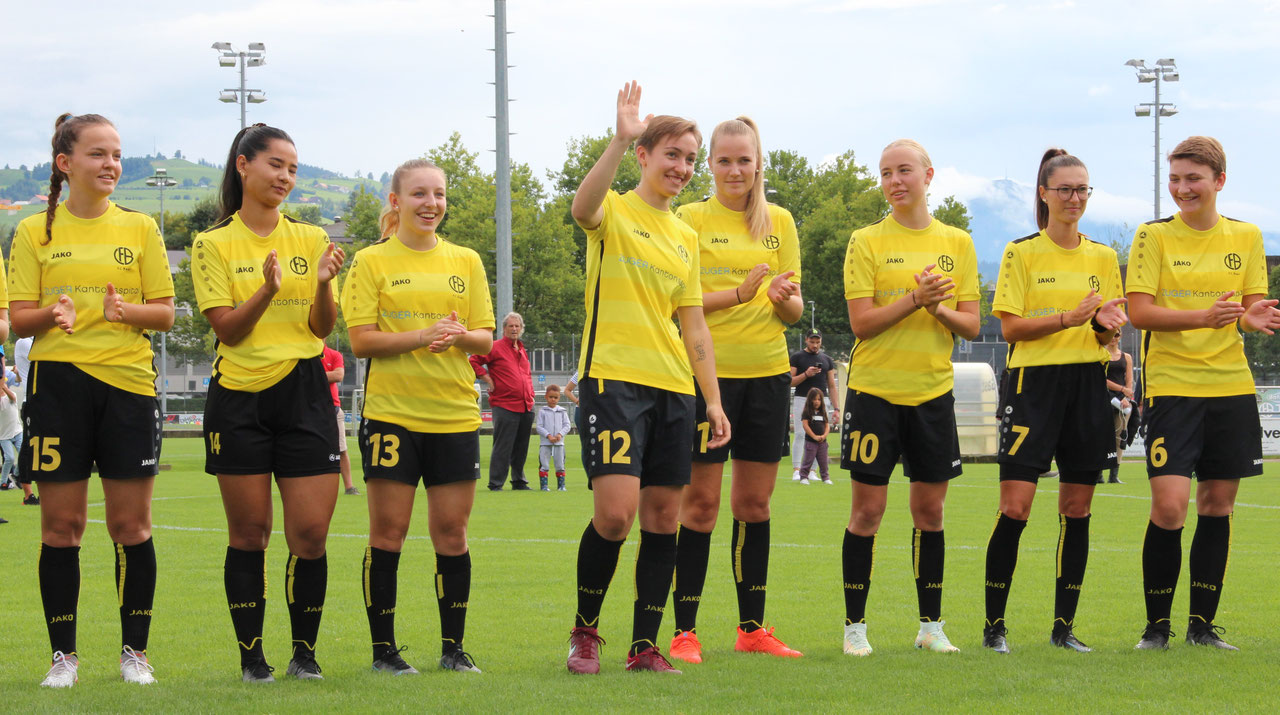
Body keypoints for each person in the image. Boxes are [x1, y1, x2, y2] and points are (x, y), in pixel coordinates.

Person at [565, 82, 729, 676]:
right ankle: (585, 632)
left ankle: (644, 645)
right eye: (672, 155)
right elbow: (582, 209)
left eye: (690, 159)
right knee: (615, 515)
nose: (682, 168)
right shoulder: (615, 209)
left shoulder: (686, 236)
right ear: (644, 156)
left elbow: (694, 327)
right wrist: (618, 137)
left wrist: (712, 401)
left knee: (664, 518)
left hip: (674, 391)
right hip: (612, 381)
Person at [10, 113, 174, 687]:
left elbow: (166, 311)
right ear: (65, 163)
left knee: (132, 525)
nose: (110, 164)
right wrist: (49, 316)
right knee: (61, 527)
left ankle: (135, 654)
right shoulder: (35, 232)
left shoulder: (140, 229)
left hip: (128, 386)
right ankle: (64, 657)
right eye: (97, 154)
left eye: (116, 154)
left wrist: (124, 312)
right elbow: (14, 323)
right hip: (57, 387)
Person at [192, 123, 345, 682]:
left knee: (310, 534)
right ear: (243, 165)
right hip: (237, 400)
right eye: (275, 164)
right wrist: (266, 289)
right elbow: (228, 332)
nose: (284, 176)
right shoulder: (213, 243)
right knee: (250, 534)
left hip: (304, 391)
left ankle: (305, 655)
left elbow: (321, 329)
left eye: (293, 168)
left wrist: (325, 282)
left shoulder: (308, 238)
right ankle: (252, 658)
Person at [1126, 136, 1280, 651]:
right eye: (1175, 178)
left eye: (1192, 178)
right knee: (1170, 506)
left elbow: (1254, 307)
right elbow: (1139, 313)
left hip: (1231, 388)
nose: (1182, 188)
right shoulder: (1152, 237)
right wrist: (1203, 316)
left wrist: (1255, 317)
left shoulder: (1247, 235)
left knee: (1217, 504)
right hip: (1173, 388)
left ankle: (1202, 627)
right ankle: (1156, 628)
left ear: (1219, 181)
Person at [343, 158, 494, 675]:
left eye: (440, 194)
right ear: (396, 201)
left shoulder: (466, 260)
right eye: (419, 194)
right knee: (389, 533)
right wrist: (422, 335)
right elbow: (361, 341)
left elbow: (484, 336)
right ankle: (384, 652)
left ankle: (454, 649)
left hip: (453, 415)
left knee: (452, 534)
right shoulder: (370, 261)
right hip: (392, 418)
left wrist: (457, 335)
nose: (431, 204)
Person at [668, 115, 804, 665]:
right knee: (699, 505)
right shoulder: (689, 217)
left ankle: (751, 628)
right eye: (723, 160)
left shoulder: (782, 222)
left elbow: (793, 310)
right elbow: (684, 302)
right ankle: (685, 631)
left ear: (758, 164)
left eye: (743, 159)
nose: (734, 169)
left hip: (769, 377)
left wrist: (779, 297)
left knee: (754, 504)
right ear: (711, 165)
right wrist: (743, 292)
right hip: (707, 379)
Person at [981, 149, 1127, 655]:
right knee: (1015, 507)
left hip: (1086, 385)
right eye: (1065, 189)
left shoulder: (1104, 257)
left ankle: (1064, 628)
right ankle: (994, 626)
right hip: (1032, 387)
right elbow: (1011, 329)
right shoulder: (1021, 252)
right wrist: (1068, 318)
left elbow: (1106, 335)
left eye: (1083, 189)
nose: (1075, 199)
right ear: (1043, 193)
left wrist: (1107, 330)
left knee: (1077, 507)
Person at [839, 139, 980, 657]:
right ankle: (855, 628)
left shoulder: (957, 243)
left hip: (932, 395)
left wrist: (936, 309)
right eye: (885, 173)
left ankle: (931, 626)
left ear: (928, 175)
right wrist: (914, 299)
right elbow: (862, 324)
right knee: (868, 513)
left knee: (931, 511)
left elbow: (971, 323)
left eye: (904, 171)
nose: (895, 181)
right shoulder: (866, 240)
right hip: (875, 393)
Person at [470, 312, 534, 491]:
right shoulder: (495, 347)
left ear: (521, 329)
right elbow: (473, 361)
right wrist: (487, 378)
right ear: (504, 329)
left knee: (521, 447)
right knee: (503, 446)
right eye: (511, 326)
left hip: (526, 404)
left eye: (517, 326)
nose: (514, 329)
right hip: (505, 404)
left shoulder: (521, 349)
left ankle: (519, 480)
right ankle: (496, 482)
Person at [789, 331, 839, 480]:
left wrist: (836, 408)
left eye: (817, 342)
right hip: (801, 399)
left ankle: (813, 471)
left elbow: (832, 385)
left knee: (820, 434)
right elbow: (790, 381)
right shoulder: (797, 357)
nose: (815, 345)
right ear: (806, 340)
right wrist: (806, 374)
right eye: (812, 342)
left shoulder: (827, 359)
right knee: (800, 433)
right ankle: (797, 469)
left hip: (822, 401)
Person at [321, 342, 358, 495]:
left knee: (341, 449)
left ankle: (349, 487)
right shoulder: (303, 355)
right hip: (308, 410)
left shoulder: (334, 354)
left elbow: (338, 375)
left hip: (333, 409)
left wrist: (312, 375)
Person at [1103, 334, 1133, 484]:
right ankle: (1098, 473)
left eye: (1116, 335)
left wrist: (1126, 397)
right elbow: (1101, 378)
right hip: (1104, 399)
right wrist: (1122, 389)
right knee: (1101, 436)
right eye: (1111, 334)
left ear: (1120, 336)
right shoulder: (1101, 355)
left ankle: (1114, 475)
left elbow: (1129, 380)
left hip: (1122, 402)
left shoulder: (1126, 357)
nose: (1113, 338)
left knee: (1120, 436)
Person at [0, 374, 35, 504]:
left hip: (17, 432)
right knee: (9, 458)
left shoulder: (11, 395)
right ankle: (3, 482)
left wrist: (4, 387)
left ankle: (15, 474)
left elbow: (12, 397)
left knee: (23, 454)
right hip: (4, 436)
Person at [536, 384, 571, 491]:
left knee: (560, 464)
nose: (553, 400)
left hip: (559, 444)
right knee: (544, 464)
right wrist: (548, 435)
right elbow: (539, 427)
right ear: (546, 397)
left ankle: (561, 486)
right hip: (545, 443)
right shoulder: (542, 411)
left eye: (555, 397)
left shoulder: (562, 411)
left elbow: (567, 425)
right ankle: (544, 486)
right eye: (551, 397)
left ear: (559, 398)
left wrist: (560, 434)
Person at [799, 387, 832, 485]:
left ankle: (825, 477)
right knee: (808, 460)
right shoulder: (807, 412)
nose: (817, 402)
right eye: (814, 399)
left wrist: (824, 435)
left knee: (823, 462)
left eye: (819, 399)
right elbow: (805, 425)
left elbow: (827, 426)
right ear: (810, 400)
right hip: (811, 442)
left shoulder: (823, 412)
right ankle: (804, 477)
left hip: (822, 442)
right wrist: (814, 436)